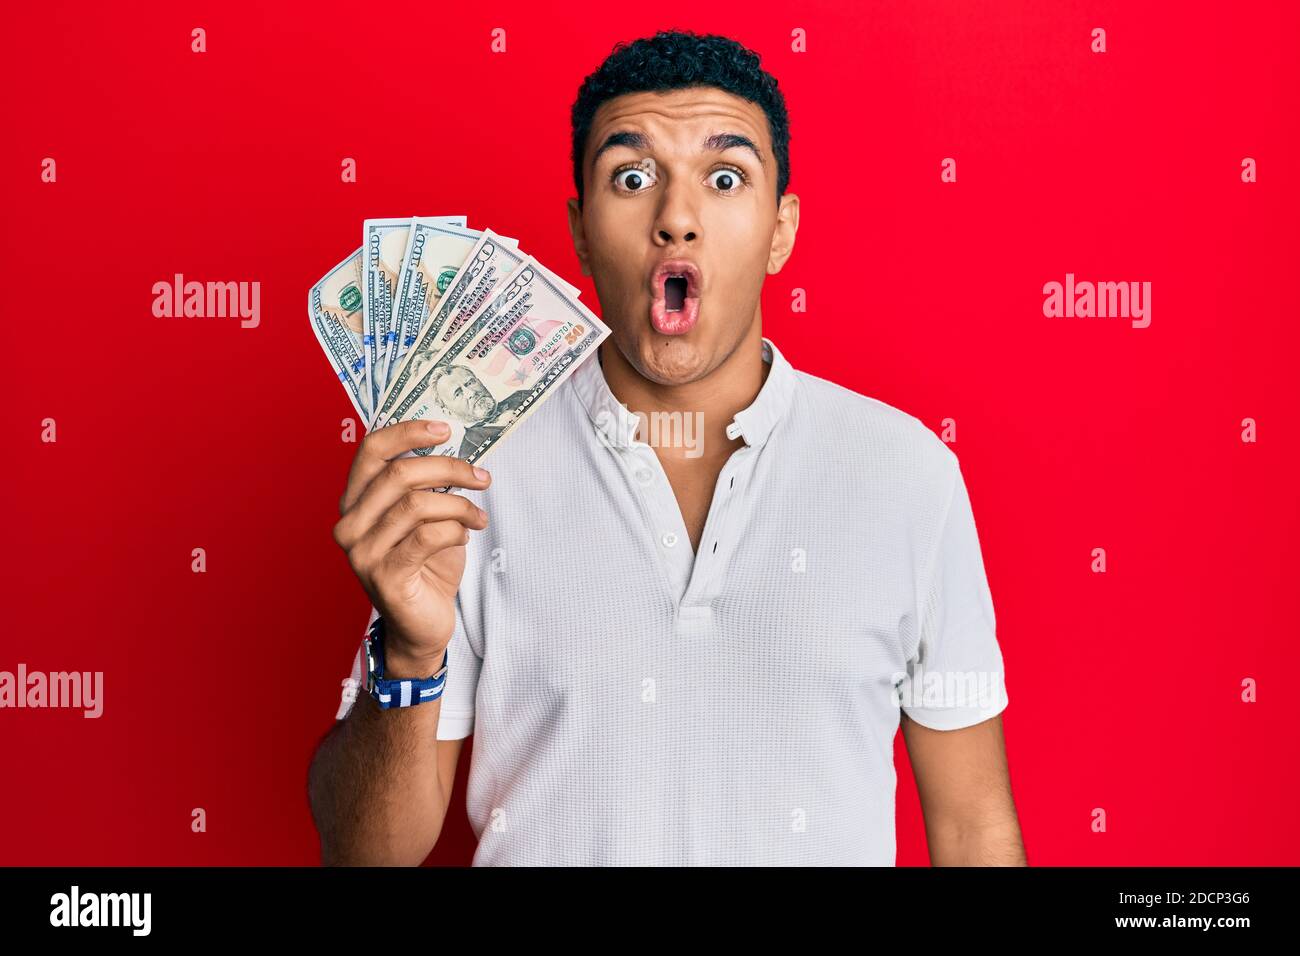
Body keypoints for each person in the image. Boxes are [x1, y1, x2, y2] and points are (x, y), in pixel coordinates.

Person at [308, 30, 1024, 866]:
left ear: (781, 230)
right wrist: (408, 652)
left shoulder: (909, 477)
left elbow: (975, 827)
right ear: (579, 230)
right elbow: (364, 855)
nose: (675, 219)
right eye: (632, 178)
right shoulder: (467, 472)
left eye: (725, 179)